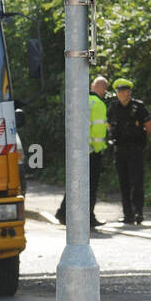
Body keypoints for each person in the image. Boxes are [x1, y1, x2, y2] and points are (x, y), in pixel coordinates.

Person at [56, 76, 111, 228]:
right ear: (102, 88)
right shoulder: (98, 104)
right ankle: (89, 217)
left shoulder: (79, 100)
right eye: (105, 89)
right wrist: (99, 149)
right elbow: (98, 130)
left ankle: (63, 213)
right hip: (91, 152)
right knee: (90, 186)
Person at [108, 76, 151, 225]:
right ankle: (128, 215)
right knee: (124, 183)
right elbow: (109, 125)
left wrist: (140, 138)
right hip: (120, 149)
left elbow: (149, 127)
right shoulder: (113, 107)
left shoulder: (138, 107)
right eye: (120, 91)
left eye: (125, 91)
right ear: (116, 93)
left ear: (130, 92)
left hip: (135, 149)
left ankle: (138, 212)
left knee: (137, 182)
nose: (122, 94)